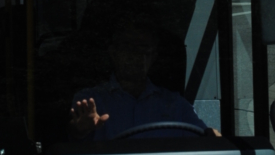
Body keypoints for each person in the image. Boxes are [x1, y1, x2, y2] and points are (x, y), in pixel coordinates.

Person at [69, 19, 216, 141]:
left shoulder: (175, 104)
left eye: (143, 48)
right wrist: (82, 130)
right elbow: (72, 144)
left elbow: (206, 138)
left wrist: (214, 136)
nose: (135, 55)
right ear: (113, 52)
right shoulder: (90, 101)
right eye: (127, 46)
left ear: (153, 56)